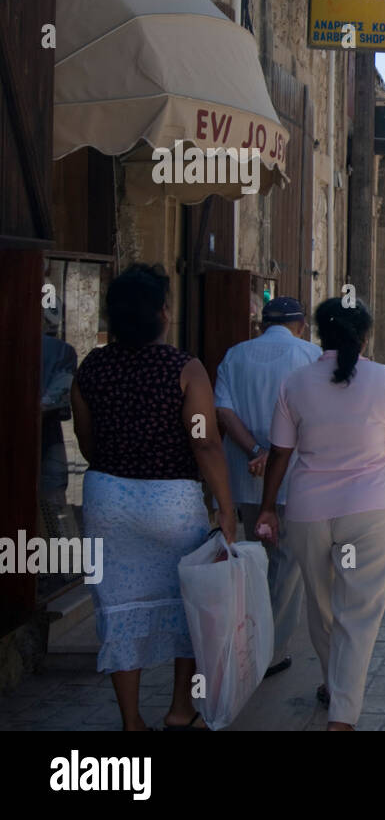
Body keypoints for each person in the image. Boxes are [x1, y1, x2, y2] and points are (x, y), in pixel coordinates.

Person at [70, 263, 238, 731]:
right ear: (163, 313)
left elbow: (86, 441)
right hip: (172, 501)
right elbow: (204, 442)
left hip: (107, 499)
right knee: (187, 600)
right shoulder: (184, 369)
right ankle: (181, 709)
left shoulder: (91, 368)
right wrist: (225, 508)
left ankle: (130, 721)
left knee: (117, 604)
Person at [256, 297, 385, 731]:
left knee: (323, 608)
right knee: (358, 614)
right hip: (369, 511)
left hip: (310, 512)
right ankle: (342, 716)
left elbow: (279, 454)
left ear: (317, 333)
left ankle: (334, 685)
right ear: (365, 336)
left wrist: (269, 507)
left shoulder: (296, 383)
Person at [213, 296, 322, 679]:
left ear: (262, 325)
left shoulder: (234, 355)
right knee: (286, 564)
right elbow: (315, 416)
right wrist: (274, 455)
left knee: (255, 557)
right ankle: (269, 651)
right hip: (292, 478)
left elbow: (223, 410)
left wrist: (257, 451)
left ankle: (248, 637)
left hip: (245, 476)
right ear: (301, 325)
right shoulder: (310, 356)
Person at [40, 301, 79, 545]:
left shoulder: (60, 351)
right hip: (46, 434)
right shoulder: (61, 352)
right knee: (53, 500)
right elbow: (56, 400)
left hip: (45, 434)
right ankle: (63, 565)